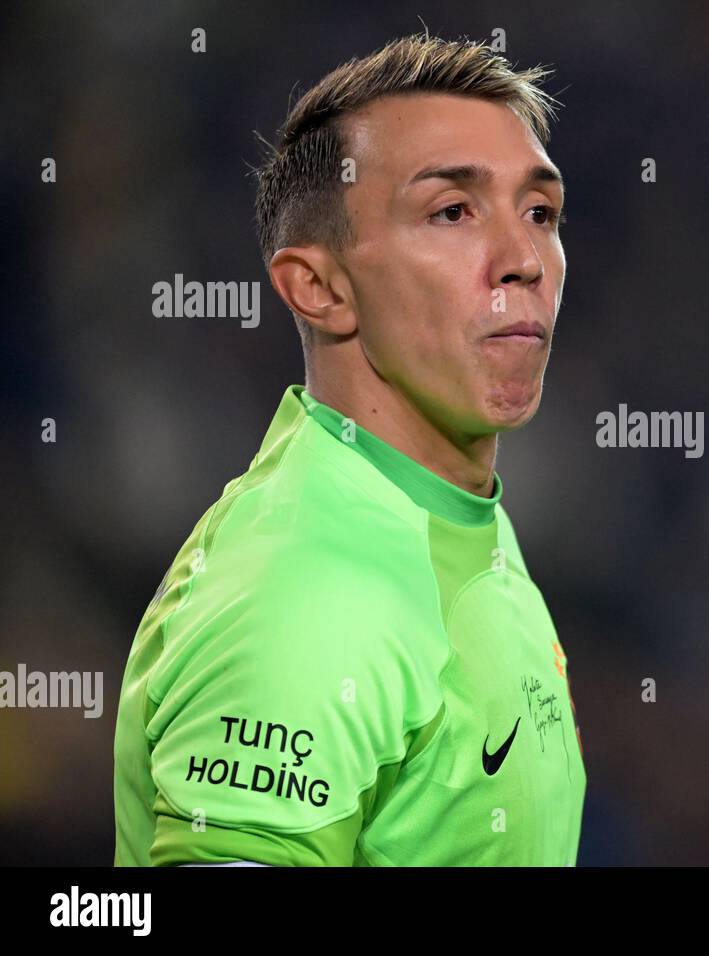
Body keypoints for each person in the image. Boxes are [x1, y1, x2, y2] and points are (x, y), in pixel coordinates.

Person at [112, 32, 585, 866]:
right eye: (452, 211)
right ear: (321, 288)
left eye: (539, 213)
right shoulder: (304, 589)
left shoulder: (444, 513)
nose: (524, 261)